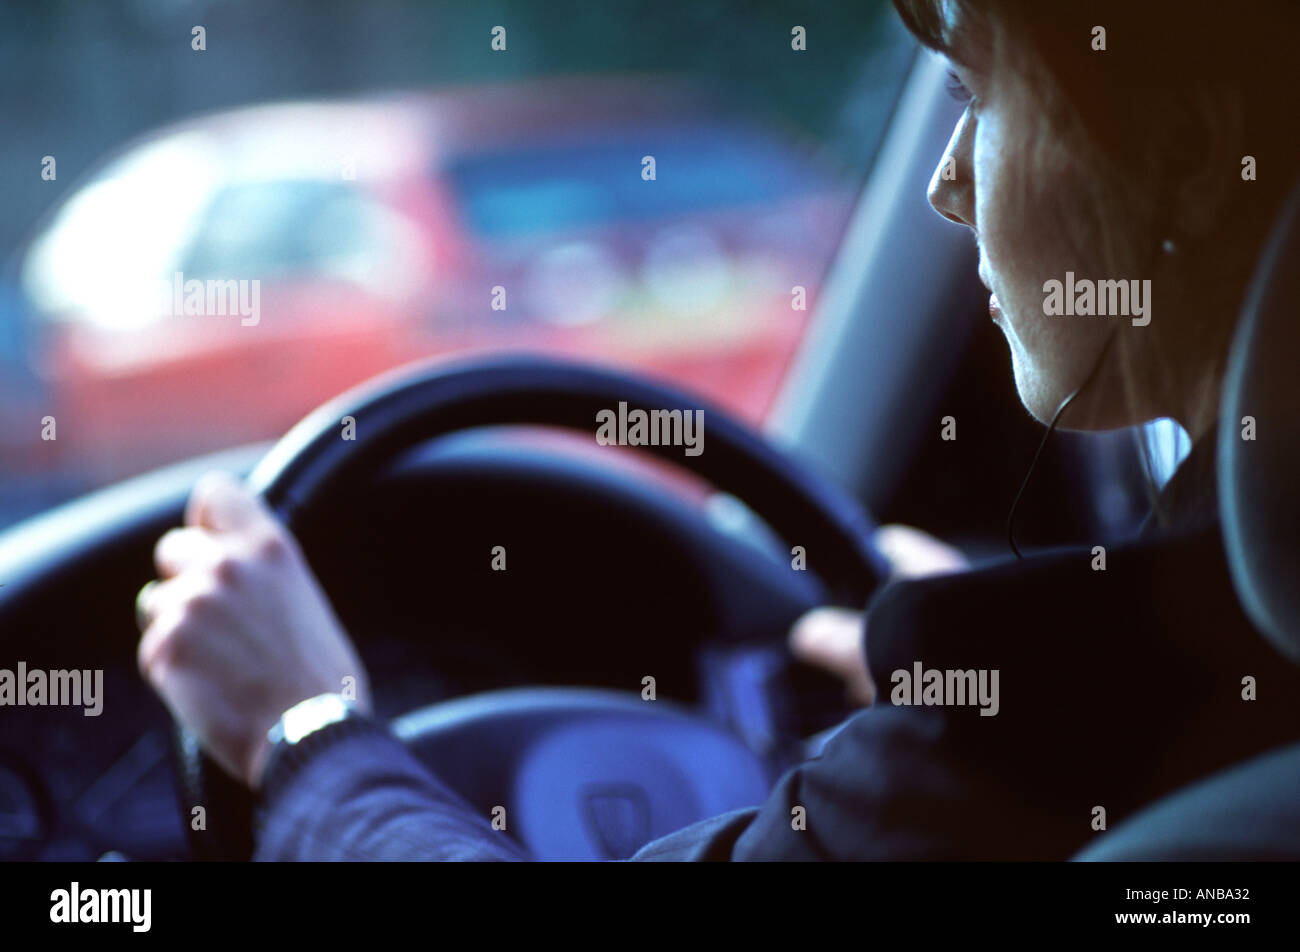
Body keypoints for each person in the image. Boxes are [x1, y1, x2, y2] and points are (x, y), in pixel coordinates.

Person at [134, 0, 1300, 860]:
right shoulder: (1167, 666)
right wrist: (976, 675)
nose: (946, 185)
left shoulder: (1032, 748)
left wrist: (302, 731)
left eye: (978, 98)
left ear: (1194, 157)